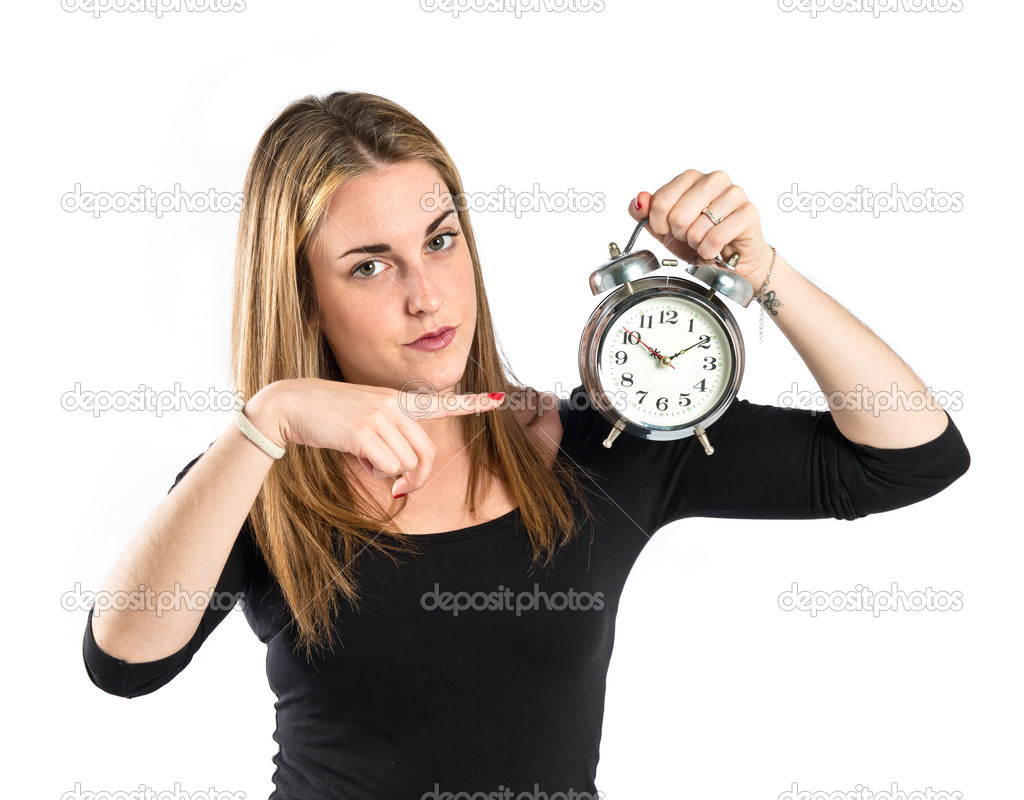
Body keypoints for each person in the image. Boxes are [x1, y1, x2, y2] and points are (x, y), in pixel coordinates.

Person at [82, 91, 970, 800]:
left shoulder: (603, 444)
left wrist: (760, 270)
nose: (426, 295)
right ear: (303, 298)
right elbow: (122, 662)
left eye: (439, 242)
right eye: (369, 264)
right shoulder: (258, 480)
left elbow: (908, 455)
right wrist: (266, 421)